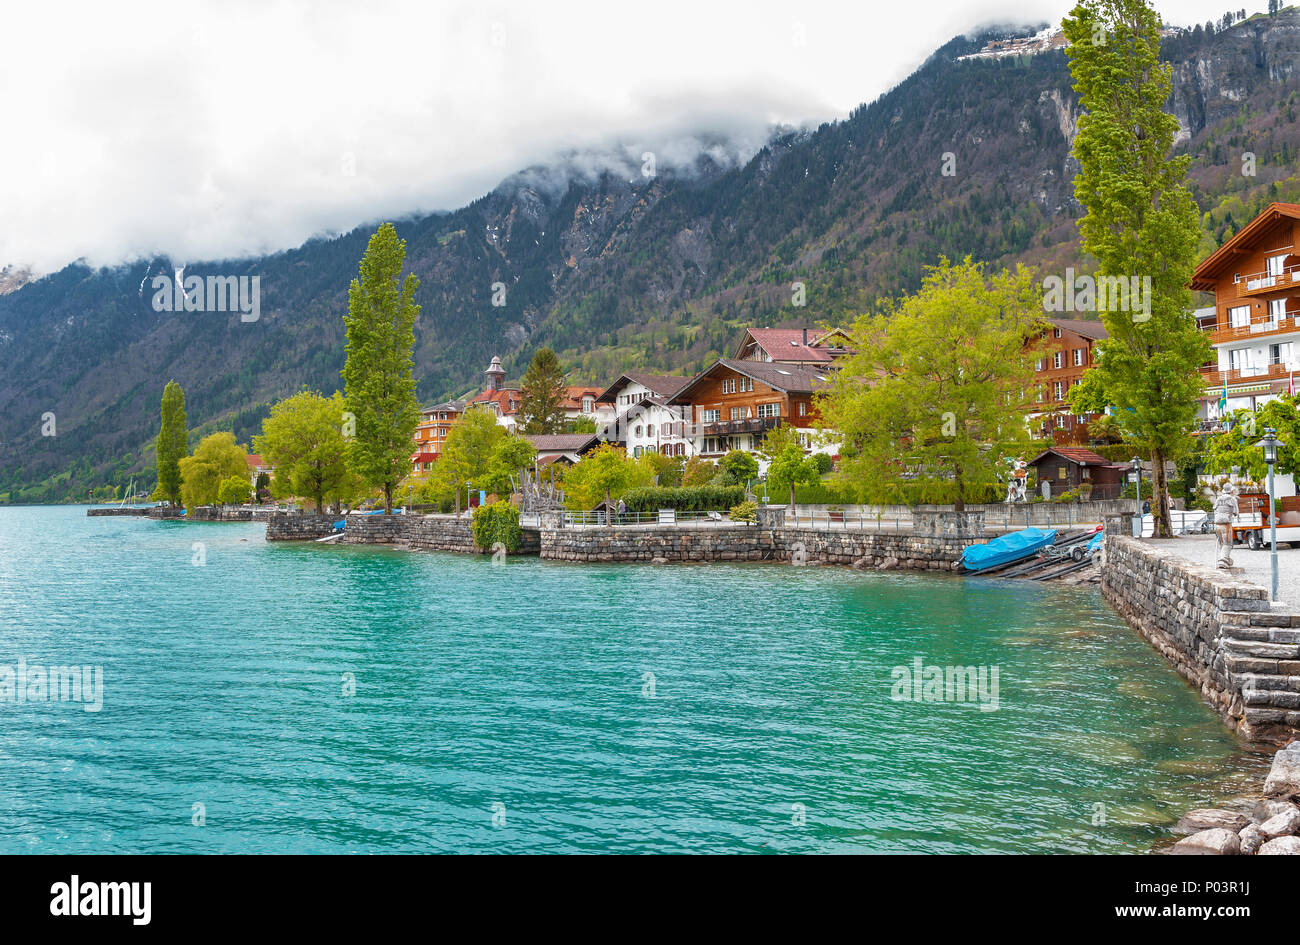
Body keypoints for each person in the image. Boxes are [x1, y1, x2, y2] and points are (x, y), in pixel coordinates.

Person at [1213, 483, 1240, 570]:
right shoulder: (1232, 499)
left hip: (1217, 524)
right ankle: (1223, 561)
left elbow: (1215, 510)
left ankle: (1226, 560)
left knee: (1222, 543)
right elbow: (1236, 512)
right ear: (1231, 491)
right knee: (1228, 544)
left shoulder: (1218, 499)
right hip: (1226, 524)